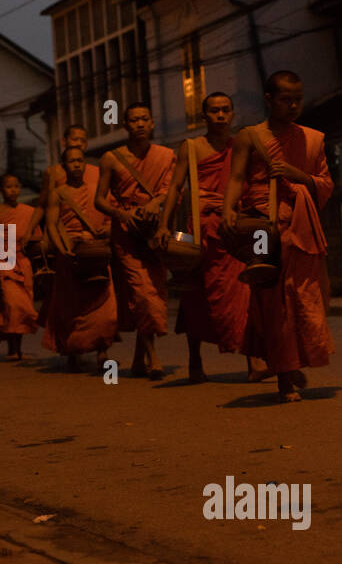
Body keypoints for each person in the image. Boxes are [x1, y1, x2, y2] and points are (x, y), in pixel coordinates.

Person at [222, 70, 335, 403]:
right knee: (273, 303)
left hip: (302, 226)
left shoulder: (313, 138)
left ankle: (289, 363)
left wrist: (296, 174)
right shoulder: (249, 137)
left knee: (304, 300)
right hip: (262, 225)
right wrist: (229, 209)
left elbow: (325, 184)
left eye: (298, 98)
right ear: (269, 100)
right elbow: (237, 177)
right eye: (286, 99)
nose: (294, 105)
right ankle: (285, 378)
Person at [160, 93, 269, 384]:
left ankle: (253, 361)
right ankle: (195, 361)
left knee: (243, 294)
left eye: (225, 110)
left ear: (232, 114)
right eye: (214, 111)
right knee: (195, 297)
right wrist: (163, 224)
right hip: (200, 227)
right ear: (204, 116)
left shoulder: (242, 146)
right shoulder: (191, 148)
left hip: (233, 225)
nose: (220, 115)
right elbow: (175, 189)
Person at [95, 103, 174, 379]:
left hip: (155, 232)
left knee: (154, 291)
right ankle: (153, 358)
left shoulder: (166, 156)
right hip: (127, 235)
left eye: (144, 119)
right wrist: (121, 213)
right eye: (134, 120)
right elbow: (99, 200)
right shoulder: (111, 158)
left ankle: (139, 359)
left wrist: (157, 203)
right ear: (125, 125)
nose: (139, 124)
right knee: (142, 293)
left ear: (152, 123)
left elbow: (174, 190)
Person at [43, 146, 116, 370]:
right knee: (70, 307)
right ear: (64, 166)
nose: (76, 164)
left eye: (80, 160)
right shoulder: (58, 193)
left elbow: (111, 216)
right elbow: (52, 224)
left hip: (97, 251)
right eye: (71, 161)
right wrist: (62, 248)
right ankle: (72, 351)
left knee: (105, 306)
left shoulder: (98, 190)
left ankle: (102, 350)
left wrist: (106, 231)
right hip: (70, 254)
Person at [0, 173, 39, 362]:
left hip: (23, 263)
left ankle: (17, 348)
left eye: (16, 186)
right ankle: (13, 347)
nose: (13, 190)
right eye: (9, 187)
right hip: (3, 262)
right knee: (12, 304)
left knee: (22, 306)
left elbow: (37, 237)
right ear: (1, 190)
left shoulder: (29, 212)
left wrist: (29, 239)